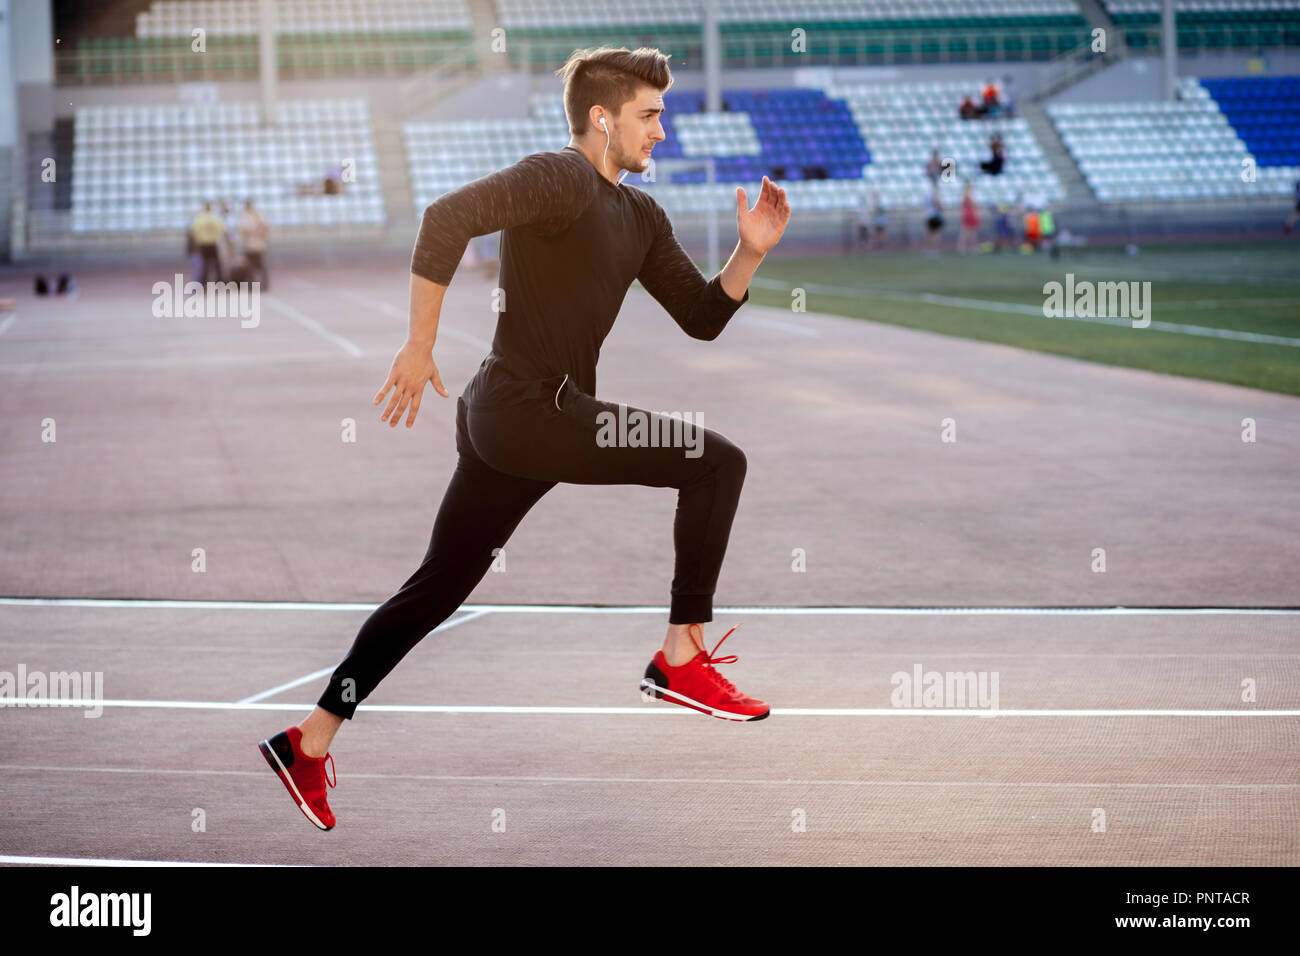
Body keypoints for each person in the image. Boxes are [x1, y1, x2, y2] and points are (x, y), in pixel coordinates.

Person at [256, 46, 791, 831]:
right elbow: (447, 217)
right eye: (650, 116)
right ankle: (680, 657)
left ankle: (309, 740)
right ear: (602, 120)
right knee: (716, 463)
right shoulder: (560, 176)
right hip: (530, 409)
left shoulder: (640, 215)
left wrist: (748, 253)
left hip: (514, 418)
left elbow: (702, 318)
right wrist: (417, 344)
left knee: (436, 588)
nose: (662, 131)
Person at [189, 202, 225, 283]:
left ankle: (203, 283)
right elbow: (222, 230)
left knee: (204, 265)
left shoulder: (199, 219)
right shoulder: (215, 218)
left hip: (203, 245)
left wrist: (196, 246)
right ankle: (220, 282)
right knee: (217, 265)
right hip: (213, 244)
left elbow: (193, 233)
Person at [239, 199, 270, 290]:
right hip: (259, 245)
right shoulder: (258, 216)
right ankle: (264, 285)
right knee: (261, 266)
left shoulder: (245, 217)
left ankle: (252, 285)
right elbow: (266, 228)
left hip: (250, 246)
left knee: (250, 267)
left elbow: (244, 232)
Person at [958, 182, 980, 253]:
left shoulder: (969, 194)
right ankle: (963, 247)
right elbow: (972, 203)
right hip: (968, 214)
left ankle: (971, 247)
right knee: (966, 232)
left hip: (971, 213)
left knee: (972, 232)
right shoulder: (966, 194)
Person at [924, 186, 944, 251]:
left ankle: (929, 249)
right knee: (936, 233)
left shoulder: (927, 193)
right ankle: (934, 249)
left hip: (929, 215)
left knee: (930, 233)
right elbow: (939, 204)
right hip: (934, 215)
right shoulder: (934, 194)